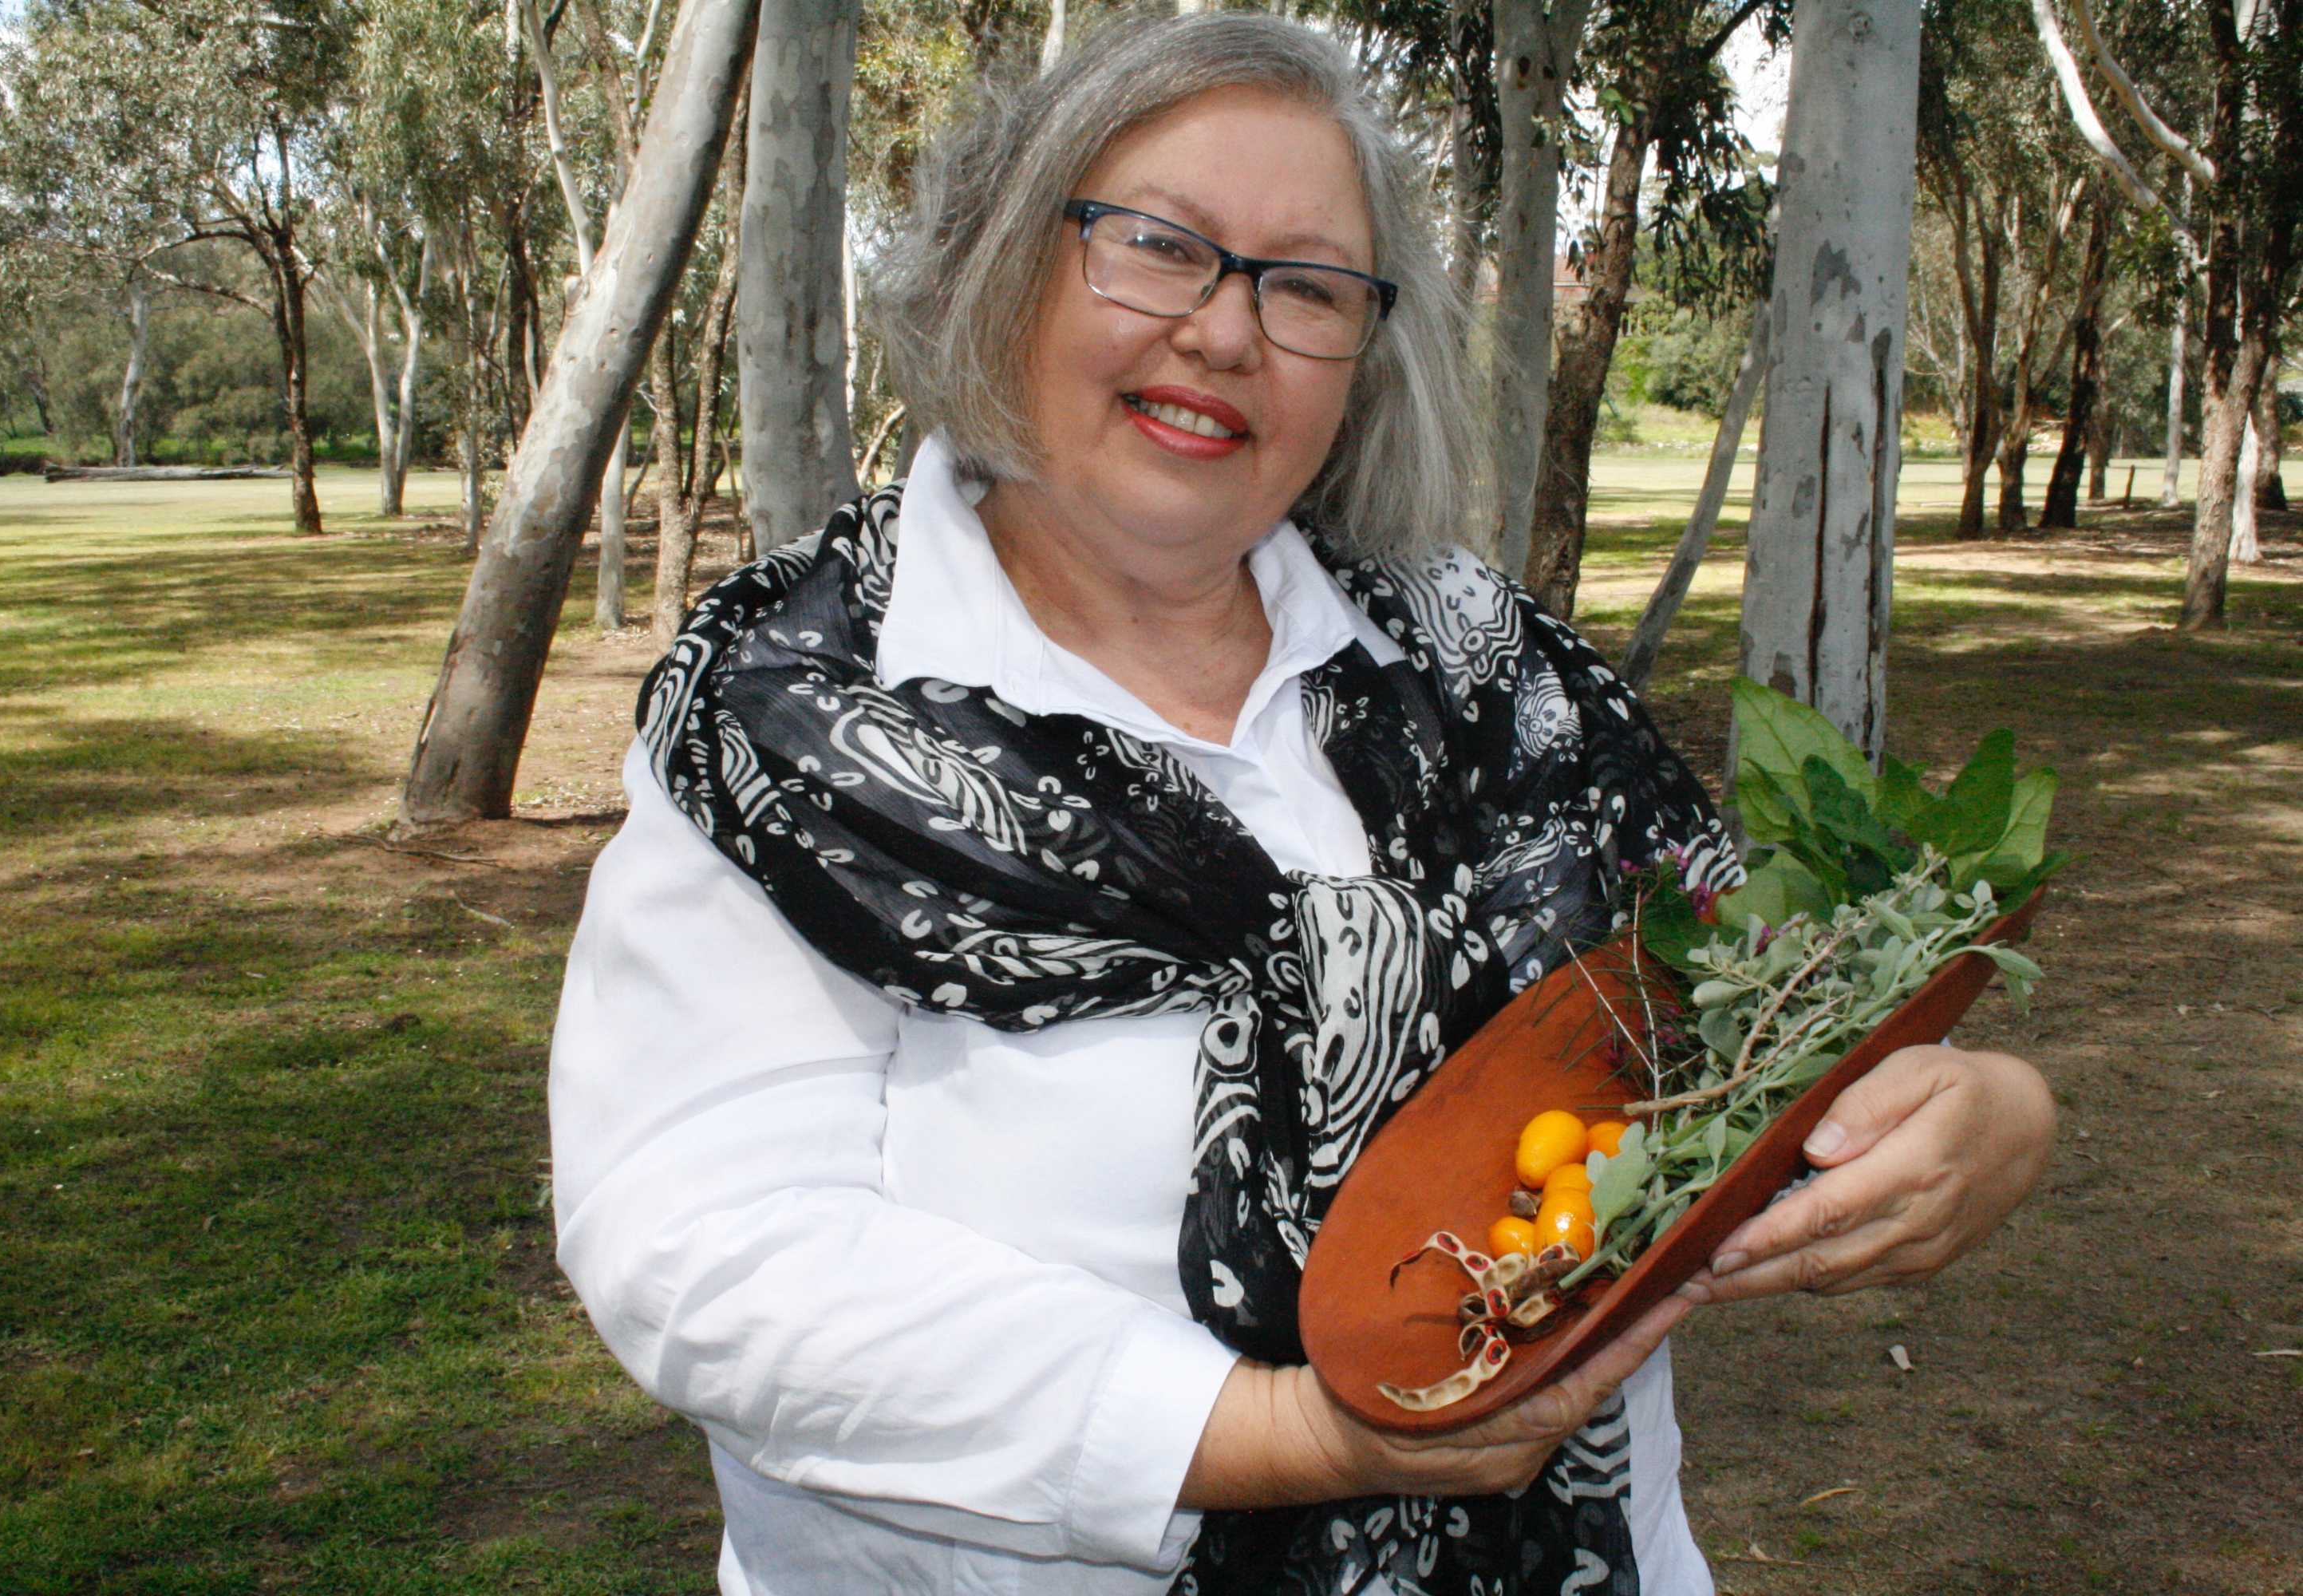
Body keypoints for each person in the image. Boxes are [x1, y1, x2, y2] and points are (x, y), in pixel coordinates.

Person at [550, 14, 2056, 1594]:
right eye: (1155, 247)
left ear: (1363, 357)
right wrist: (1283, 1433)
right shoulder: (791, 716)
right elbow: (712, 1255)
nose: (1224, 331)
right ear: (1008, 265)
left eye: (1306, 287)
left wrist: (1976, 1114)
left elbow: (1751, 1017)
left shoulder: (1482, 660)